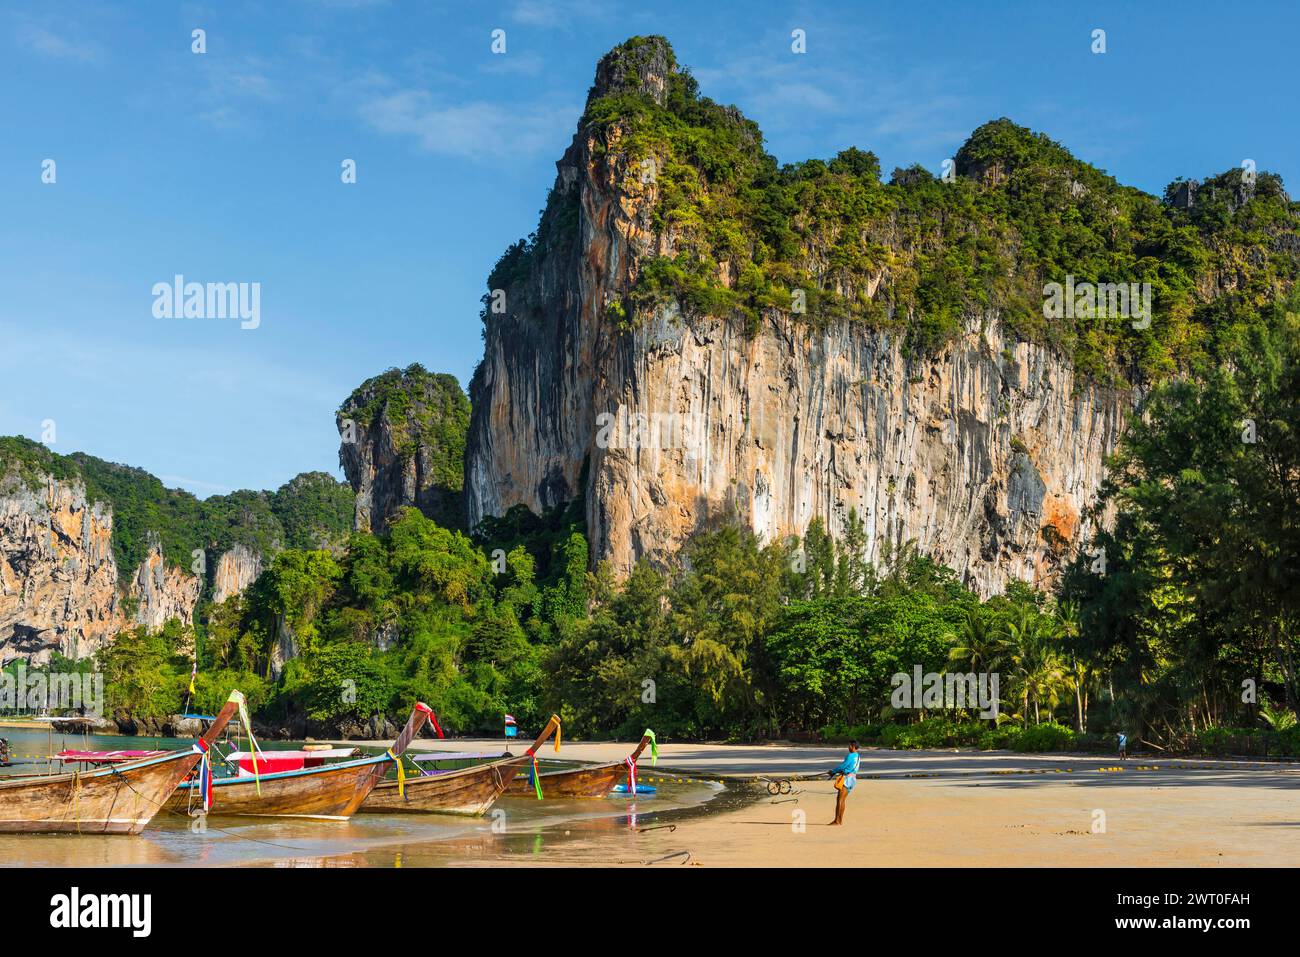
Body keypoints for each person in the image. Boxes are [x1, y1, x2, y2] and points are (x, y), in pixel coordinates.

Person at [828, 741, 860, 826]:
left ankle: (837, 821)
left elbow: (843, 766)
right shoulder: (857, 756)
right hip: (853, 779)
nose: (848, 747)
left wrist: (833, 771)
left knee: (839, 800)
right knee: (842, 800)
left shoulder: (851, 755)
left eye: (849, 746)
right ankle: (840, 820)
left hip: (847, 779)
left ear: (853, 746)